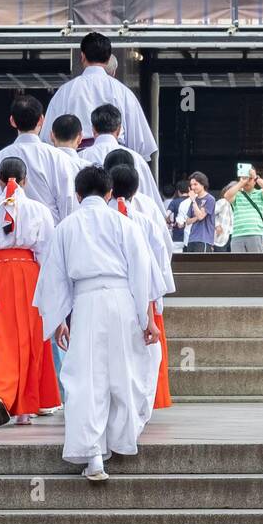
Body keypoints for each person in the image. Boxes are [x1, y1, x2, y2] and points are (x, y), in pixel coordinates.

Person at [33, 166, 164, 481]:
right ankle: (121, 438)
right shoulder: (124, 223)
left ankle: (93, 457)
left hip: (86, 302)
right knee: (127, 371)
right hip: (122, 300)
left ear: (77, 195)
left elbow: (54, 277)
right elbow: (141, 271)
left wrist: (58, 321)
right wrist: (147, 317)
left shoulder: (66, 227)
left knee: (86, 378)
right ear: (109, 194)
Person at [0, 157, 60, 427]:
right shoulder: (39, 209)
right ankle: (25, 407)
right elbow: (46, 253)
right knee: (29, 337)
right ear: (25, 180)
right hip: (29, 274)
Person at [110, 163, 174, 410]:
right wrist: (156, 298)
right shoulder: (145, 219)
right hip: (143, 293)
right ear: (136, 190)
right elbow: (160, 254)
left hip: (109, 293)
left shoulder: (93, 220)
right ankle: (144, 402)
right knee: (144, 354)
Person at [41, 32, 156, 158]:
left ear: (82, 56)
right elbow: (141, 144)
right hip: (115, 162)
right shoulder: (123, 92)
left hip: (75, 162)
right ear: (108, 59)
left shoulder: (65, 91)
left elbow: (48, 138)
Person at [0, 95, 76, 223]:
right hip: (50, 232)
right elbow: (67, 201)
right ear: (41, 120)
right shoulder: (57, 157)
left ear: (12, 121)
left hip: (8, 234)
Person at [81, 103, 161, 205]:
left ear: (93, 129)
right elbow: (150, 199)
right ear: (119, 130)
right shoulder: (136, 158)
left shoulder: (80, 157)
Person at [222, 167, 263, 254]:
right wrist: (241, 182)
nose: (247, 181)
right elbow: (227, 195)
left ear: (255, 181)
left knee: (257, 264)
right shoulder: (237, 194)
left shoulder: (259, 194)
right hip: (237, 234)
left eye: (250, 179)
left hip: (255, 233)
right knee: (238, 265)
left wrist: (256, 177)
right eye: (245, 178)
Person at [176, 172, 216, 253]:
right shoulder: (194, 200)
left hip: (204, 239)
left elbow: (201, 216)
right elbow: (187, 221)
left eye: (195, 184)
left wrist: (194, 201)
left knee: (202, 265)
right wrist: (197, 217)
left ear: (203, 184)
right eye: (191, 185)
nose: (193, 187)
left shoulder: (210, 199)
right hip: (191, 239)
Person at [164, 179, 189, 246]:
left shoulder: (174, 202)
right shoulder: (193, 202)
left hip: (178, 237)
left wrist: (169, 222)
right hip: (191, 237)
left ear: (178, 191)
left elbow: (166, 215)